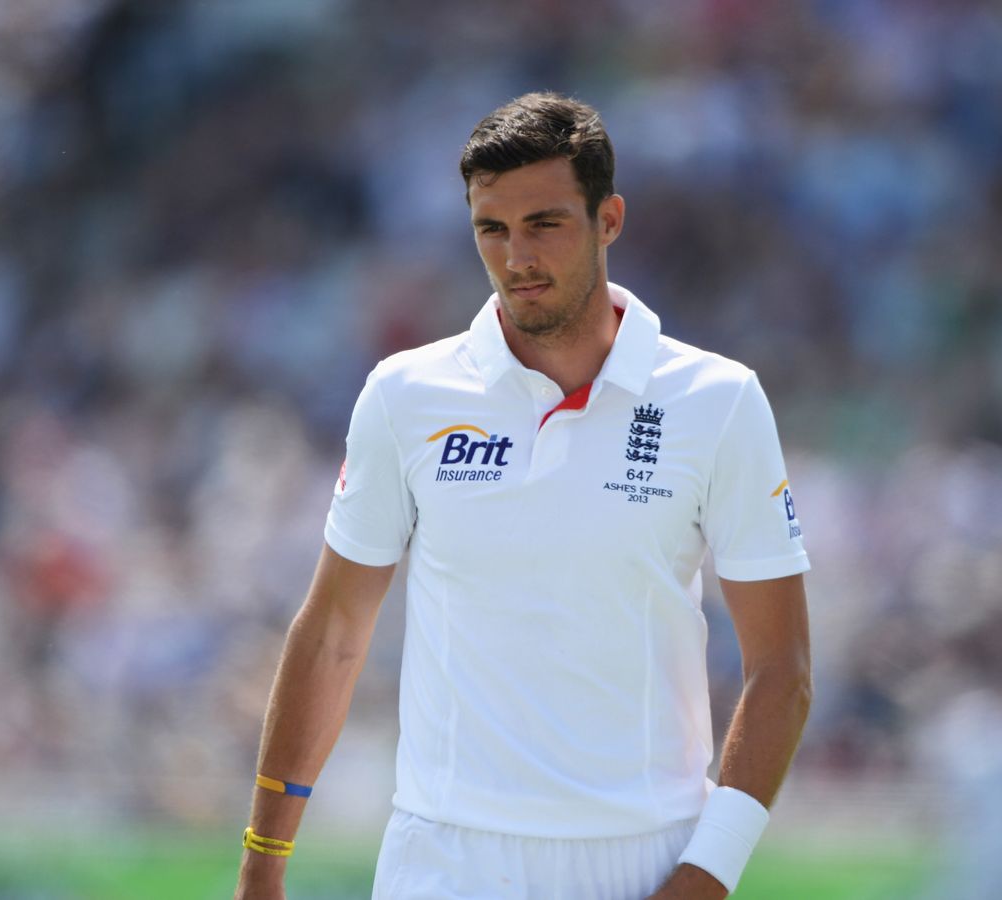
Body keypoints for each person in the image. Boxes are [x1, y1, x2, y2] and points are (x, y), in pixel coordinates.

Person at [233, 92, 813, 900]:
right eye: (492, 230)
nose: (517, 258)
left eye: (545, 224)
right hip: (444, 860)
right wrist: (263, 860)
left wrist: (707, 876)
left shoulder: (719, 400)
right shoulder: (405, 394)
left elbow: (782, 670)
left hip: (643, 859)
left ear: (609, 220)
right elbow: (332, 633)